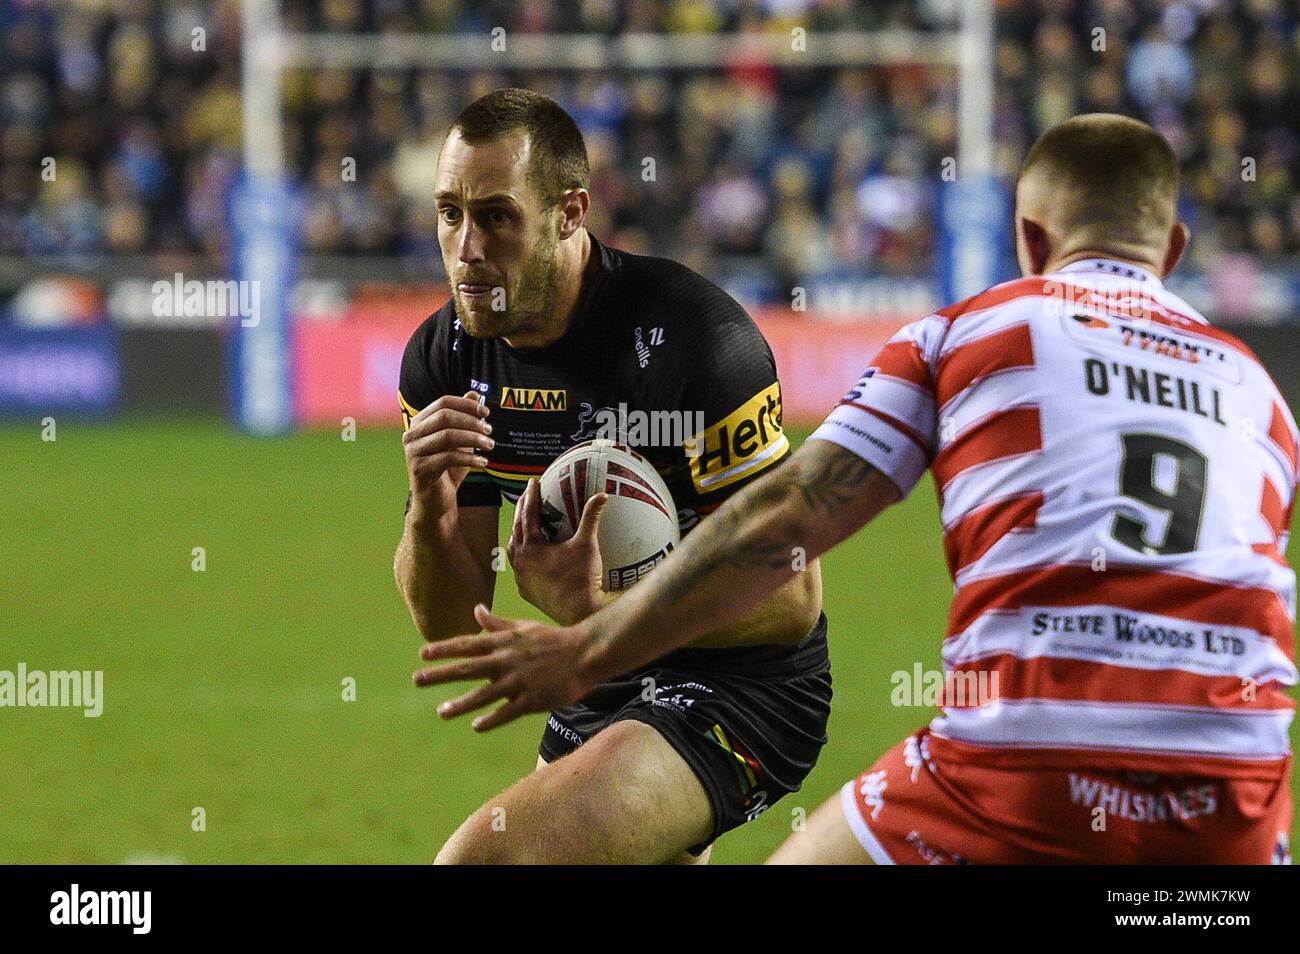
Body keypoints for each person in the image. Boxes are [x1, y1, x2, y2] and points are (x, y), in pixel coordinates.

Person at [418, 114, 1298, 864]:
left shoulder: (967, 338)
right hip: (1239, 789)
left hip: (1017, 756)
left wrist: (590, 635)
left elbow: (788, 521)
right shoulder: (1264, 398)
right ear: (1174, 250)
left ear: (1029, 240)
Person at [396, 88, 832, 864]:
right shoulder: (447, 358)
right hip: (600, 671)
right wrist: (429, 514)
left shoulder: (698, 341)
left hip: (745, 688)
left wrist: (598, 612)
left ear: (570, 212)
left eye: (496, 216)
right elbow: (454, 628)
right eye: (448, 212)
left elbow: (791, 595)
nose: (466, 248)